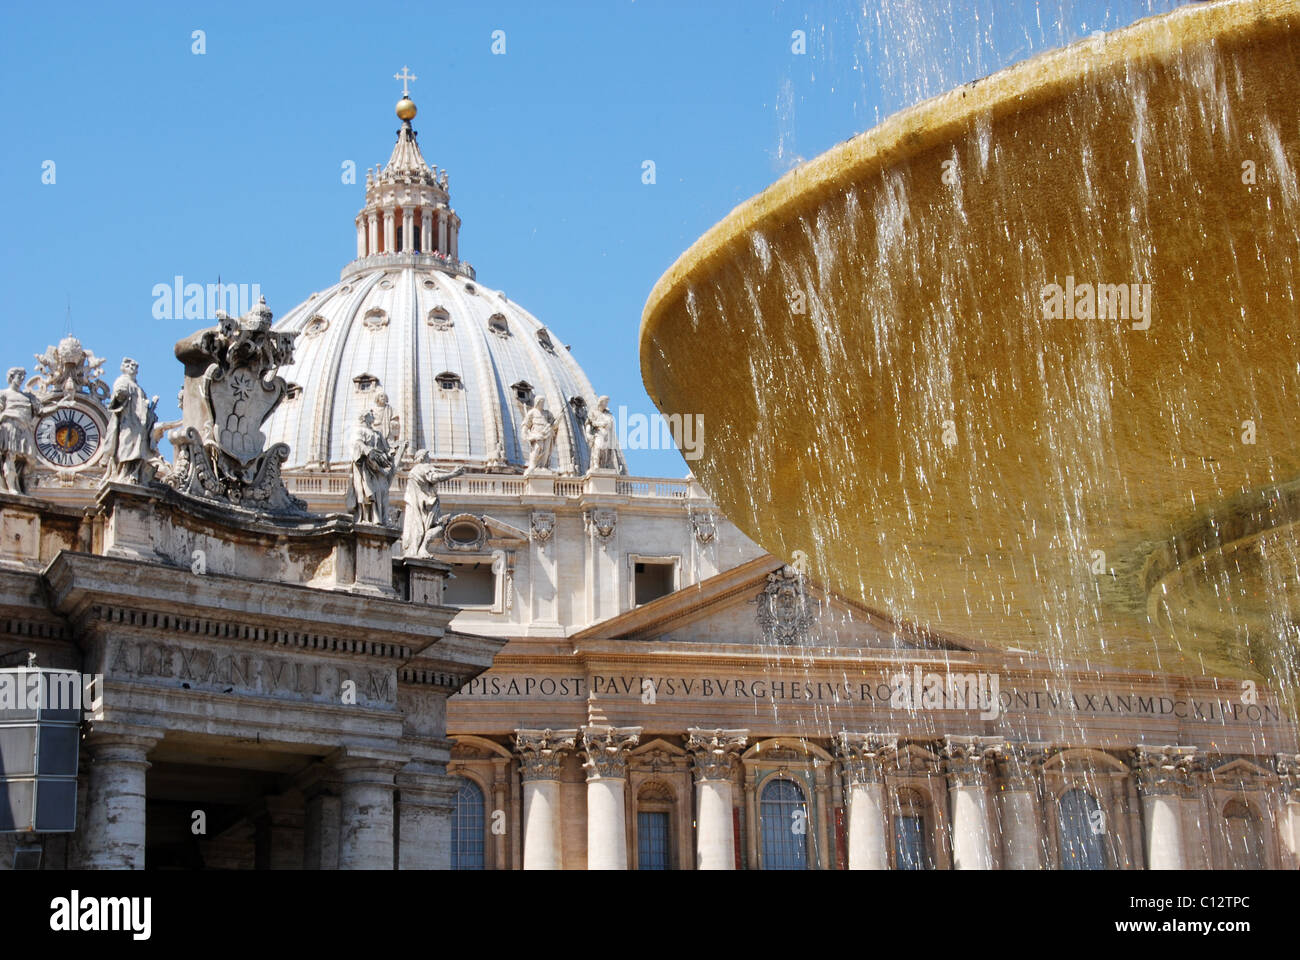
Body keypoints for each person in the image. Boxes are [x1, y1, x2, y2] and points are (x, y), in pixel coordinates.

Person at [103, 358, 158, 485]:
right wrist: (120, 395)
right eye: (130, 365)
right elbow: (118, 398)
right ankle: (124, 472)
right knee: (126, 446)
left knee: (139, 448)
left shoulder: (139, 388)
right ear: (124, 367)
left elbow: (143, 406)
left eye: (135, 366)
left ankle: (134, 473)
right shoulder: (122, 381)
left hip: (140, 424)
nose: (133, 367)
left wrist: (150, 410)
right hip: (128, 422)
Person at [401, 450, 466, 555]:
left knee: (418, 529)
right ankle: (423, 548)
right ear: (422, 458)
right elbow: (434, 477)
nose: (429, 458)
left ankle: (416, 550)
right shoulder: (425, 467)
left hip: (416, 505)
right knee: (438, 527)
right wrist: (453, 474)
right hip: (427, 505)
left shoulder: (413, 471)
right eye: (427, 456)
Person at [346, 410, 404, 524]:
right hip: (366, 467)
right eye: (371, 414)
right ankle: (368, 518)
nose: (374, 415)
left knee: (382, 492)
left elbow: (387, 450)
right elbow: (357, 443)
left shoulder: (378, 434)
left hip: (379, 469)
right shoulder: (360, 431)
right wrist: (367, 450)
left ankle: (380, 519)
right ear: (365, 418)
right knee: (370, 493)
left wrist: (398, 449)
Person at [0, 367, 40, 494]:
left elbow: (41, 412)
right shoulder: (4, 394)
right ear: (11, 377)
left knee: (31, 459)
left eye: (23, 376)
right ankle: (11, 487)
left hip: (25, 429)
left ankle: (24, 486)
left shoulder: (28, 397)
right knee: (10, 456)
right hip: (10, 426)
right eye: (19, 376)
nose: (22, 378)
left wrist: (61, 404)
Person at [521, 396, 557, 475]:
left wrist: (558, 420)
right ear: (537, 402)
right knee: (537, 449)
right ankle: (533, 466)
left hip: (547, 434)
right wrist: (525, 433)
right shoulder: (532, 412)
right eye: (541, 402)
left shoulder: (547, 413)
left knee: (546, 451)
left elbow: (554, 424)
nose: (542, 404)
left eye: (543, 402)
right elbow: (526, 424)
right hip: (536, 434)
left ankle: (542, 466)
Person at [585, 395, 618, 472]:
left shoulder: (608, 414)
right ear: (601, 402)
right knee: (598, 448)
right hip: (598, 433)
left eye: (607, 402)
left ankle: (604, 465)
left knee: (606, 452)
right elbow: (590, 423)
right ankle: (596, 464)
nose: (607, 404)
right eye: (606, 402)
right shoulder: (593, 412)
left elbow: (611, 424)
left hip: (606, 435)